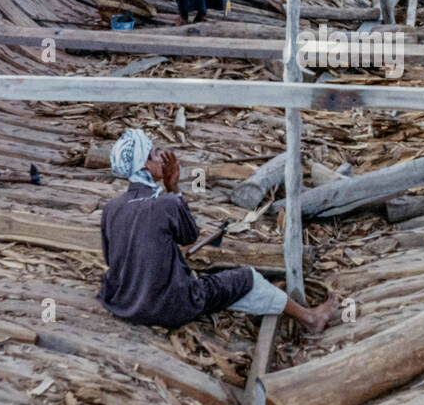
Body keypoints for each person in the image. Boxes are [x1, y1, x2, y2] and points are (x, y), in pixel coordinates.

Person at [99, 128, 338, 332]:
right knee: (248, 278)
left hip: (125, 303)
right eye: (154, 153)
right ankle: (310, 318)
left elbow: (114, 259)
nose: (161, 156)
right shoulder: (165, 203)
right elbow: (189, 236)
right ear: (144, 164)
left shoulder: (111, 208)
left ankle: (301, 315)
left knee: (213, 285)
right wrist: (174, 188)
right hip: (170, 306)